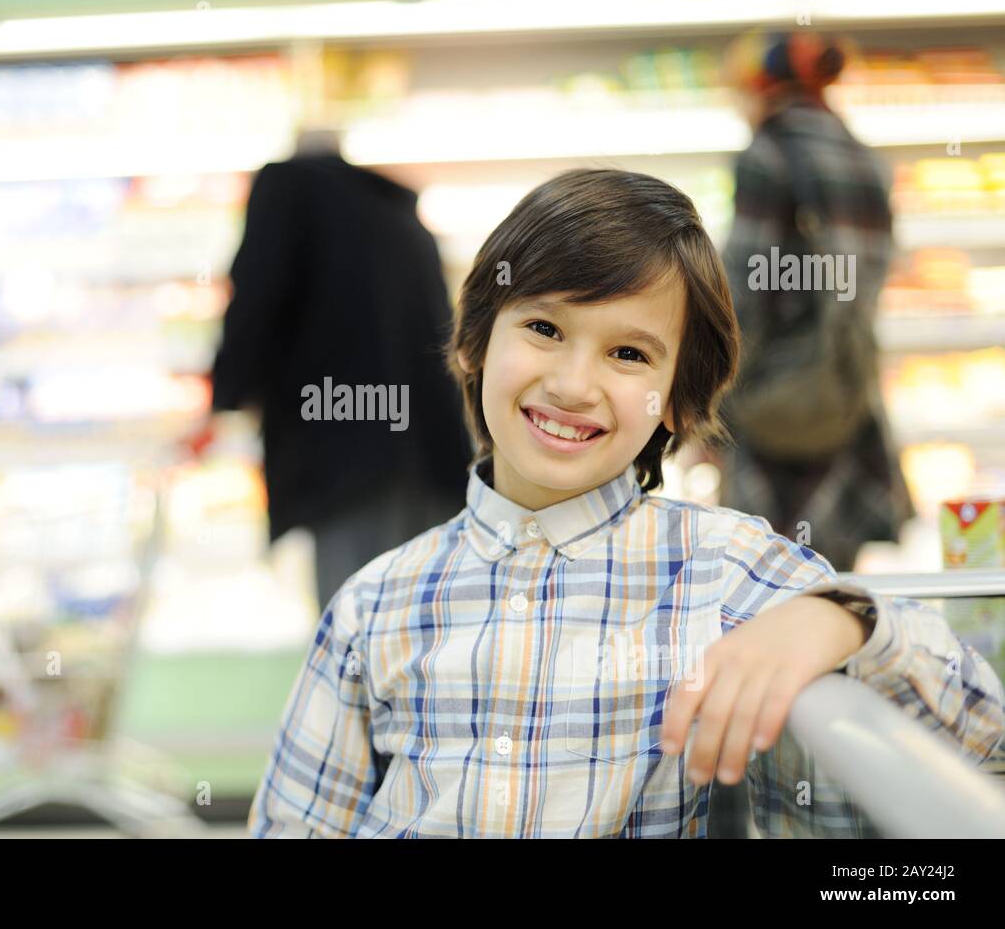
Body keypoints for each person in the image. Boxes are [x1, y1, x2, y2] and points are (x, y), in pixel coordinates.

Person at [247, 169, 1004, 838]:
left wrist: (842, 616)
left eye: (629, 353)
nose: (575, 383)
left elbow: (984, 734)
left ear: (676, 398)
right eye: (544, 328)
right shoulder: (373, 605)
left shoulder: (731, 574)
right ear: (476, 342)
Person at [210, 131, 474, 611]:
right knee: (418, 627)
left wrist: (226, 395)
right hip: (431, 456)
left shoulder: (288, 187)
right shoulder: (399, 214)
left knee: (354, 638)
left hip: (345, 449)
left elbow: (256, 298)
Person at [718, 29, 914, 572]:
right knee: (837, 587)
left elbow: (742, 293)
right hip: (846, 397)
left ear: (761, 87)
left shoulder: (768, 155)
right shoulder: (867, 160)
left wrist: (710, 396)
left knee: (767, 580)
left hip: (778, 400)